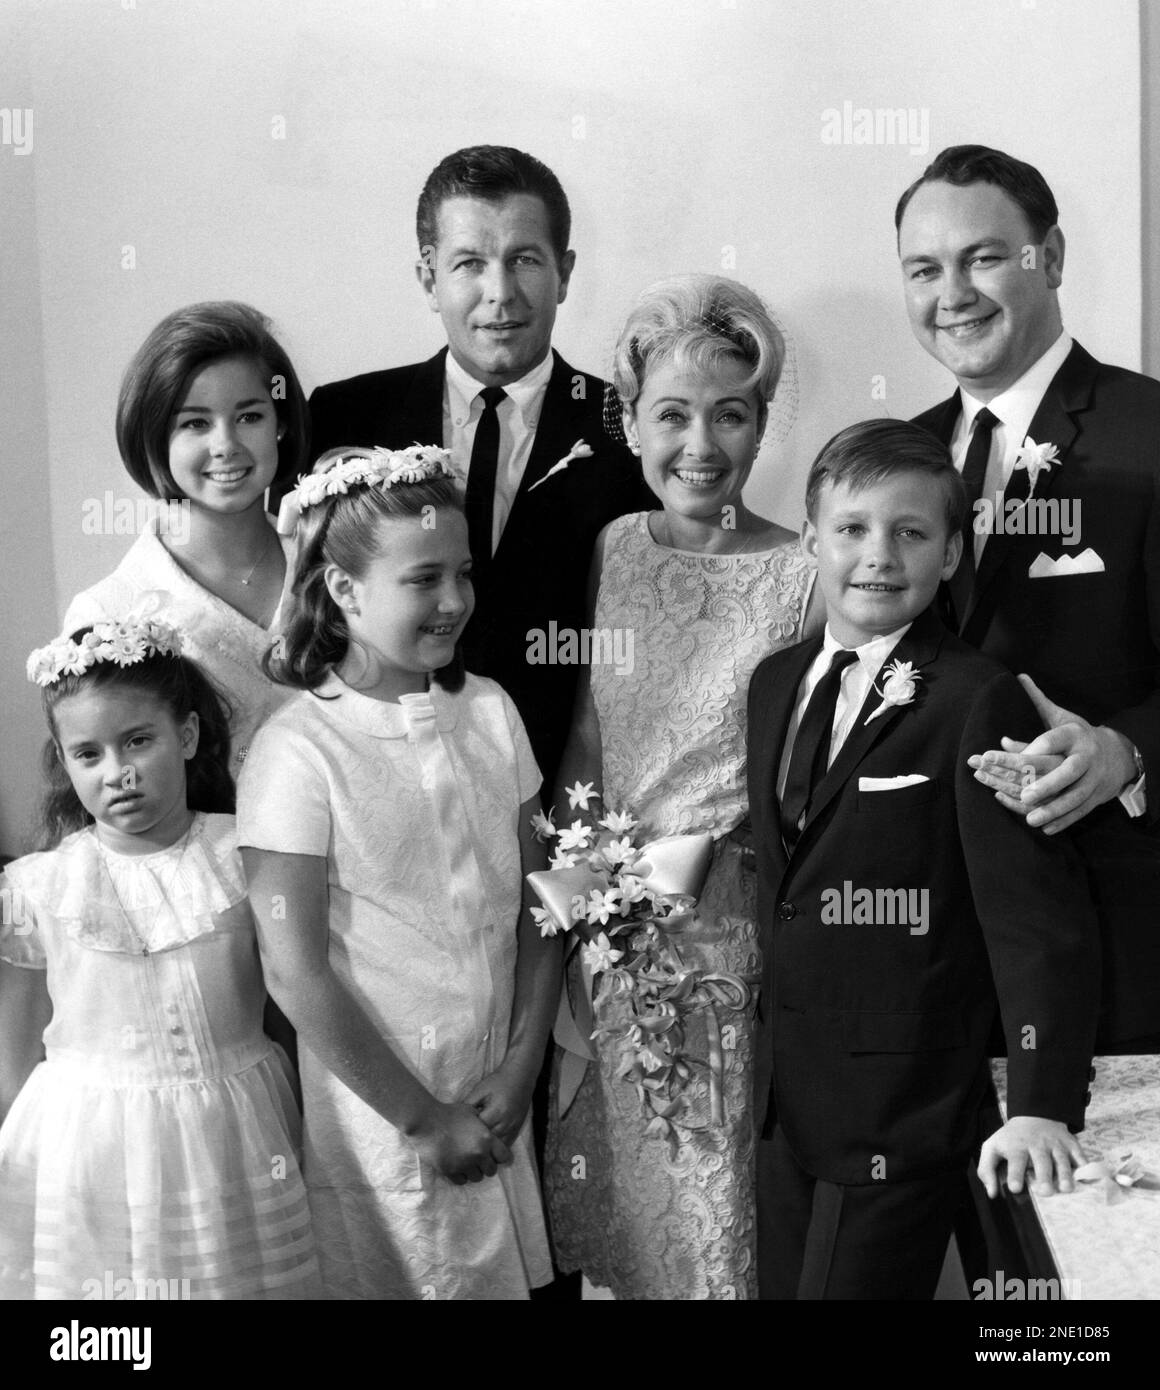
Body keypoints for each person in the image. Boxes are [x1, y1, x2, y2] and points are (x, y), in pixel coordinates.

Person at [745, 420, 1099, 1300]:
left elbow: (1034, 921)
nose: (879, 555)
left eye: (911, 532)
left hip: (904, 1106)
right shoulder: (773, 683)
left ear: (950, 555)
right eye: (853, 529)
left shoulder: (979, 699)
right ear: (810, 540)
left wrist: (1042, 1102)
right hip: (783, 1110)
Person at [543, 274, 817, 1299]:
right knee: (619, 1225)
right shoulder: (613, 547)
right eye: (671, 414)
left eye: (729, 414)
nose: (698, 443)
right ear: (628, 421)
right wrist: (574, 913)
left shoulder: (801, 571)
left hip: (723, 949)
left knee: (711, 1221)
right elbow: (582, 738)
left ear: (758, 427)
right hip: (601, 932)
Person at [236, 446, 559, 1300]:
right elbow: (292, 968)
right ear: (343, 589)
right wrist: (421, 1118)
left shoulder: (489, 709)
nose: (454, 600)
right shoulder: (296, 752)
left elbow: (542, 905)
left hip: (497, 1097)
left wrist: (523, 1064)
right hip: (386, 1118)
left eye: (462, 573)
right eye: (423, 579)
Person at [896, 145, 1160, 1051]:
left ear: (1050, 255)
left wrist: (1126, 754)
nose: (953, 293)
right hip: (932, 954)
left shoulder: (1148, 432)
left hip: (1114, 933)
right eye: (925, 269)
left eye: (983, 258)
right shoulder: (900, 459)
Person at [307, 145, 654, 786]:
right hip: (373, 784)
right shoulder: (343, 418)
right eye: (470, 263)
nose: (500, 293)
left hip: (565, 796)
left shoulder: (629, 428)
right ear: (427, 276)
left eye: (525, 259)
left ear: (565, 272)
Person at [0, 615, 320, 1299]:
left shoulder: (244, 857)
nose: (118, 773)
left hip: (232, 1132)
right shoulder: (38, 888)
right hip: (87, 1150)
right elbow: (15, 1060)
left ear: (187, 735)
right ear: (65, 761)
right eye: (88, 754)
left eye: (138, 741)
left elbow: (293, 1009)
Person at [62, 301, 311, 772]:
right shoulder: (107, 615)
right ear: (156, 437)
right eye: (195, 423)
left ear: (282, 425)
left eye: (249, 416)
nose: (226, 445)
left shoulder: (338, 568)